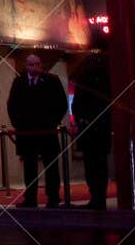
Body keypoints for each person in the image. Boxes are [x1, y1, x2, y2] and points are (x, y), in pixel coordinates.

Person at [7, 51, 68, 207]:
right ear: (26, 66)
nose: (34, 67)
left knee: (51, 165)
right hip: (27, 133)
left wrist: (52, 123)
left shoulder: (52, 81)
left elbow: (61, 104)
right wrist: (18, 125)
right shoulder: (18, 83)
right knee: (29, 167)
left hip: (47, 132)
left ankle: (53, 197)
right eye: (31, 64)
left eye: (37, 64)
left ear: (41, 65)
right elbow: (12, 105)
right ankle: (30, 197)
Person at [72, 55, 114, 210]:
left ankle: (98, 197)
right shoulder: (88, 80)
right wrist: (82, 120)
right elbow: (77, 104)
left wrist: (85, 120)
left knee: (96, 165)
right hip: (92, 130)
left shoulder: (99, 80)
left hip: (96, 130)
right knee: (93, 165)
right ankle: (97, 196)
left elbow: (104, 105)